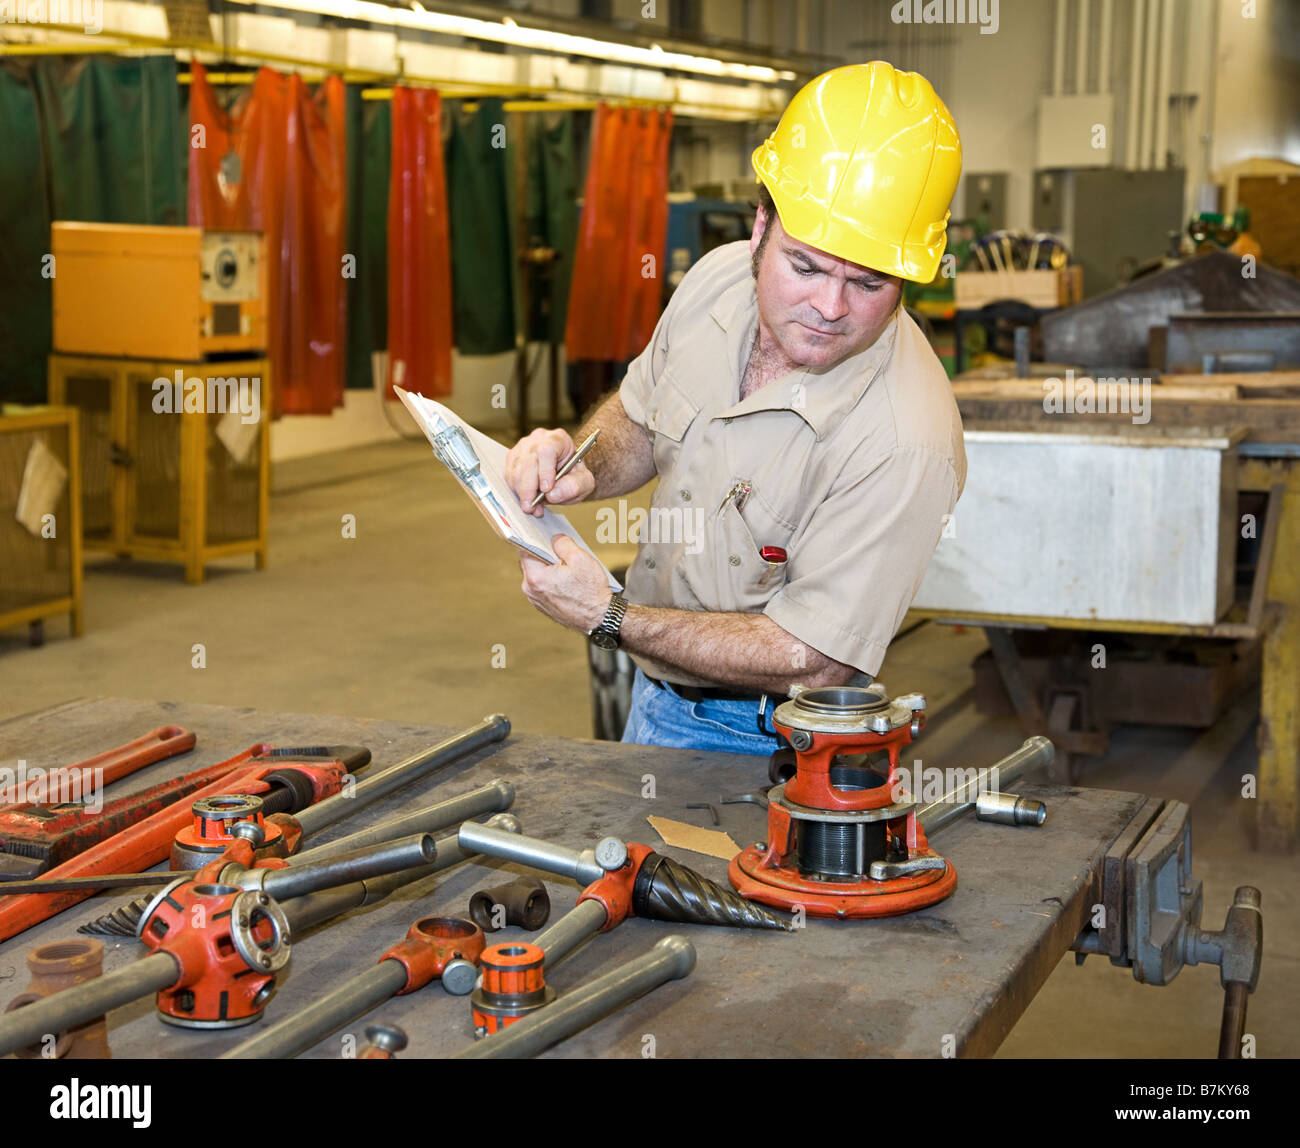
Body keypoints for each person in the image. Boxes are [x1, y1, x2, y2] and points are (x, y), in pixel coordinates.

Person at [504, 61, 966, 756]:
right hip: (653, 695)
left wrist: (610, 617)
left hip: (767, 743)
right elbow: (639, 417)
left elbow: (815, 656)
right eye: (806, 266)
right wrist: (578, 465)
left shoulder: (907, 438)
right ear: (759, 228)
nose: (830, 306)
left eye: (870, 283)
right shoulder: (717, 281)